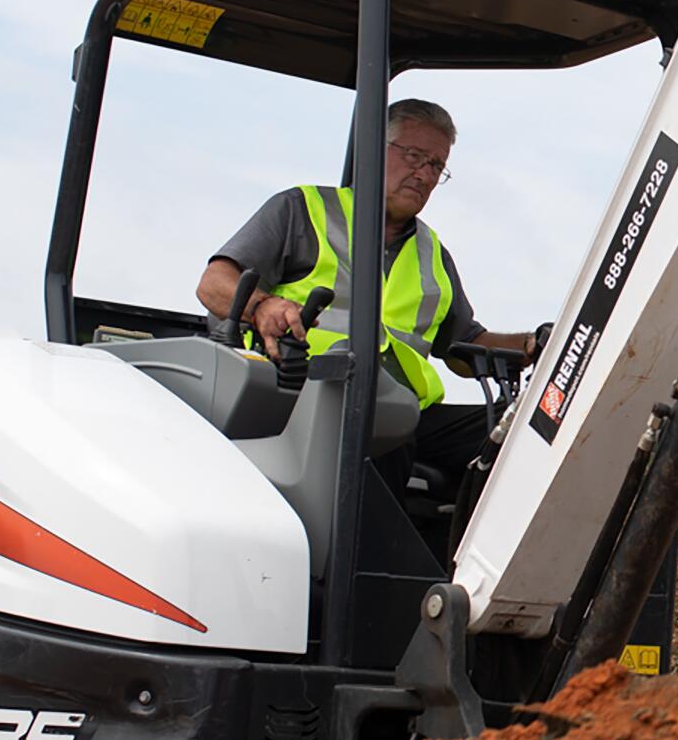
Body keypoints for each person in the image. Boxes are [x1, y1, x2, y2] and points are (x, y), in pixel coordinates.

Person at [193, 98, 535, 487]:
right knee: (382, 415)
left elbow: (465, 347)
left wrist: (537, 344)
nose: (423, 174)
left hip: (405, 415)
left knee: (519, 429)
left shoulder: (434, 254)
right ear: (373, 149)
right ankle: (370, 549)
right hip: (305, 400)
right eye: (413, 155)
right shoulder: (303, 210)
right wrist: (261, 307)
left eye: (436, 166)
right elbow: (215, 283)